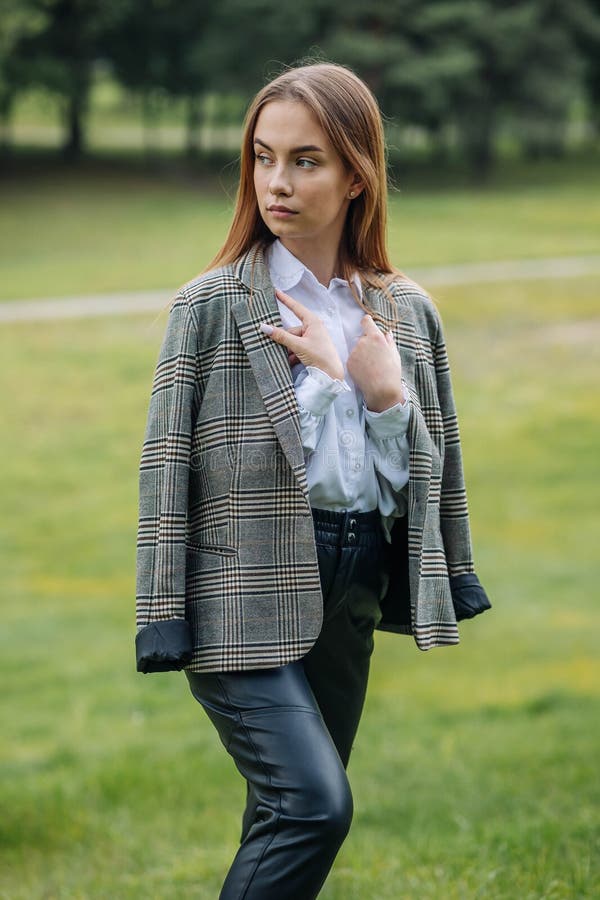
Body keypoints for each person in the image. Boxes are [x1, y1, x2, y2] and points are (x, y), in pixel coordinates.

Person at [135, 60, 491, 899]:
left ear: (357, 174)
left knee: (279, 814)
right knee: (313, 808)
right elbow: (164, 470)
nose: (275, 182)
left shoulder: (405, 312)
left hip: (354, 582)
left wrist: (381, 394)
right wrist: (160, 611)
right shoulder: (213, 305)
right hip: (241, 587)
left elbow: (430, 474)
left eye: (305, 161)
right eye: (263, 157)